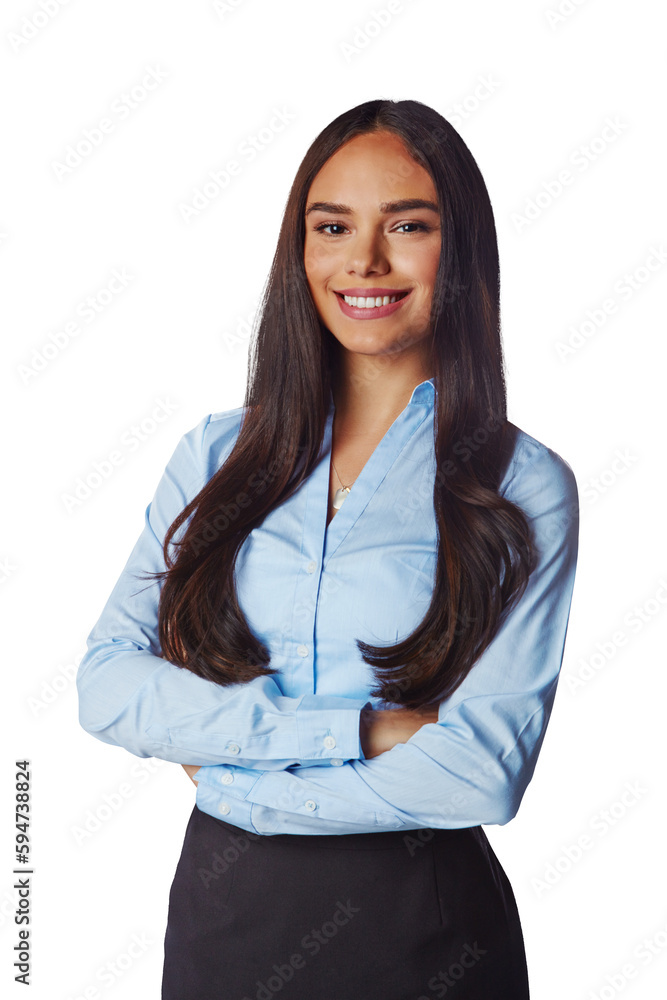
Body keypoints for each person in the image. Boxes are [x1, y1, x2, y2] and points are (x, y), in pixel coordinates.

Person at [76, 98, 579, 999]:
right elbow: (109, 683)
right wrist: (356, 732)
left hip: (427, 941)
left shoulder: (520, 483)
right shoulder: (214, 455)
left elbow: (479, 775)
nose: (364, 261)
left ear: (458, 252)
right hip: (221, 927)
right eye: (333, 225)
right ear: (298, 249)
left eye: (409, 226)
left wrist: (228, 768)